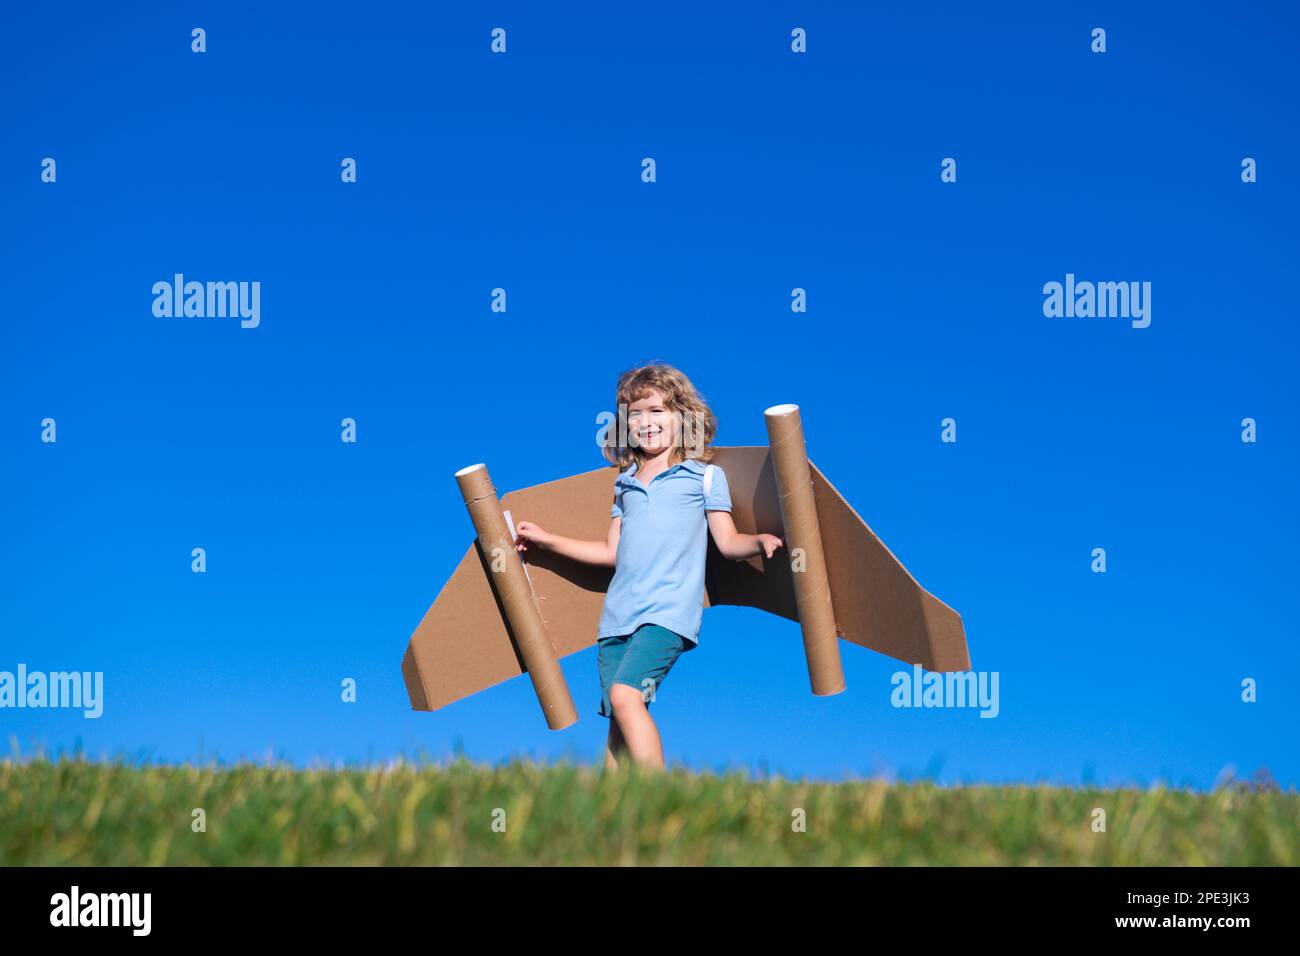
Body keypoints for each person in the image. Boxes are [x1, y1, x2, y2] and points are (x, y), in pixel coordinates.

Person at [514, 362, 783, 772]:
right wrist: (547, 540)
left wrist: (759, 542)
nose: (646, 422)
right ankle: (614, 816)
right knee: (617, 721)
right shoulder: (624, 485)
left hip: (667, 614)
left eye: (658, 411)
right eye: (635, 414)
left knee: (626, 696)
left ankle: (661, 797)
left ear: (683, 418)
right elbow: (610, 553)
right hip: (617, 620)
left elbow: (727, 543)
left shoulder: (705, 478)